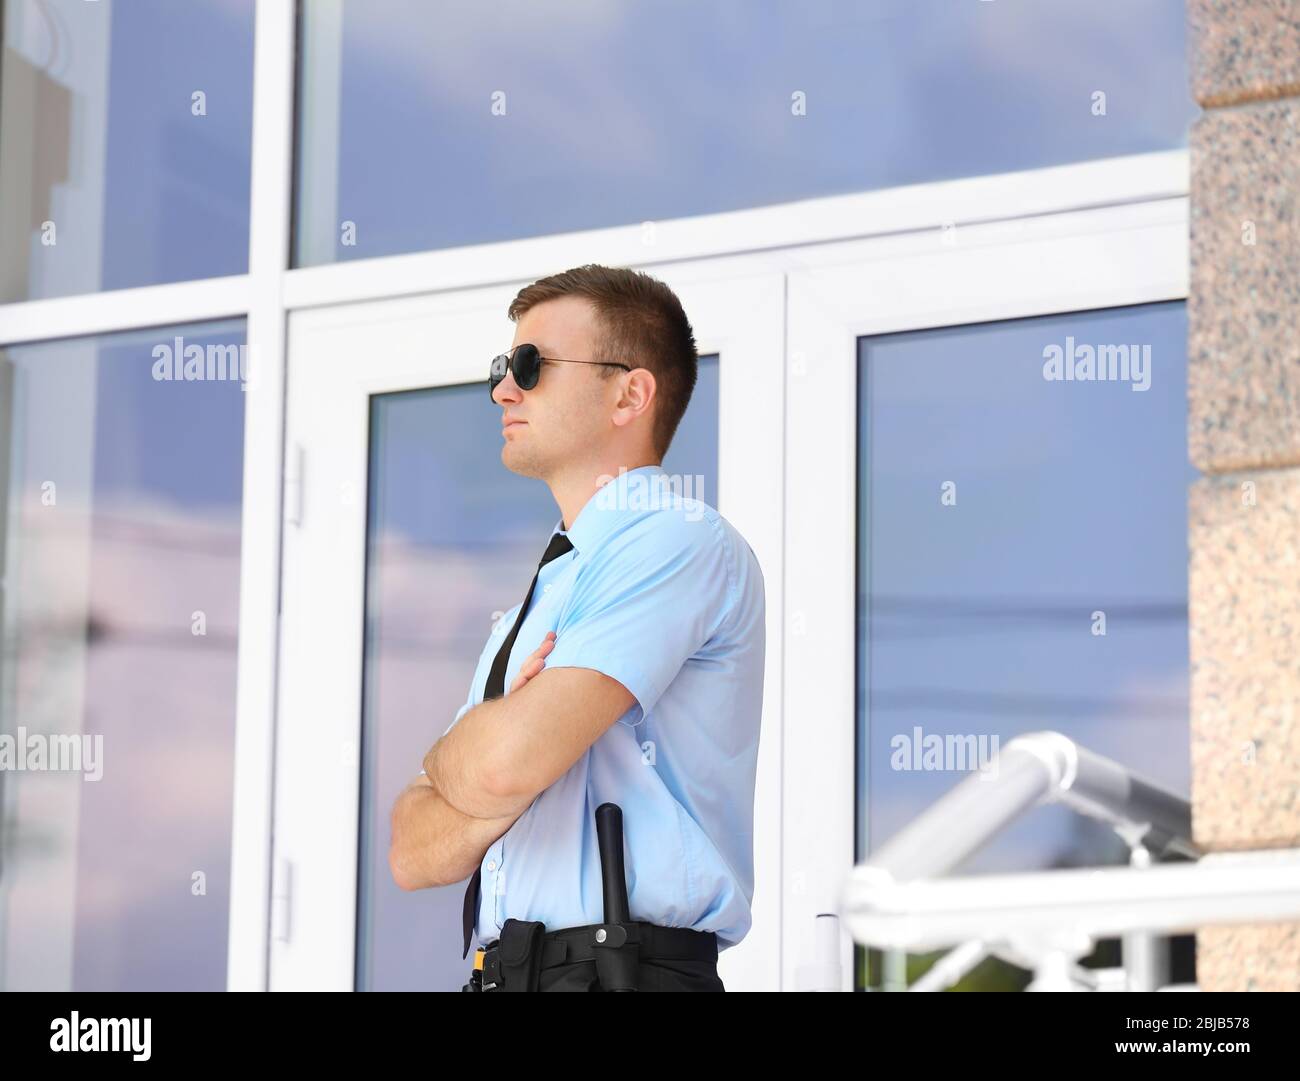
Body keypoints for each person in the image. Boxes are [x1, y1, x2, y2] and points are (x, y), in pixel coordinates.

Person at [388, 263, 765, 991]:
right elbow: (411, 850)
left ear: (630, 393)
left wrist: (485, 765)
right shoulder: (543, 595)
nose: (504, 388)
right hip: (508, 973)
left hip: (620, 972)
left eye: (530, 366)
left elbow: (500, 766)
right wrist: (494, 757)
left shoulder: (678, 540)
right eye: (504, 366)